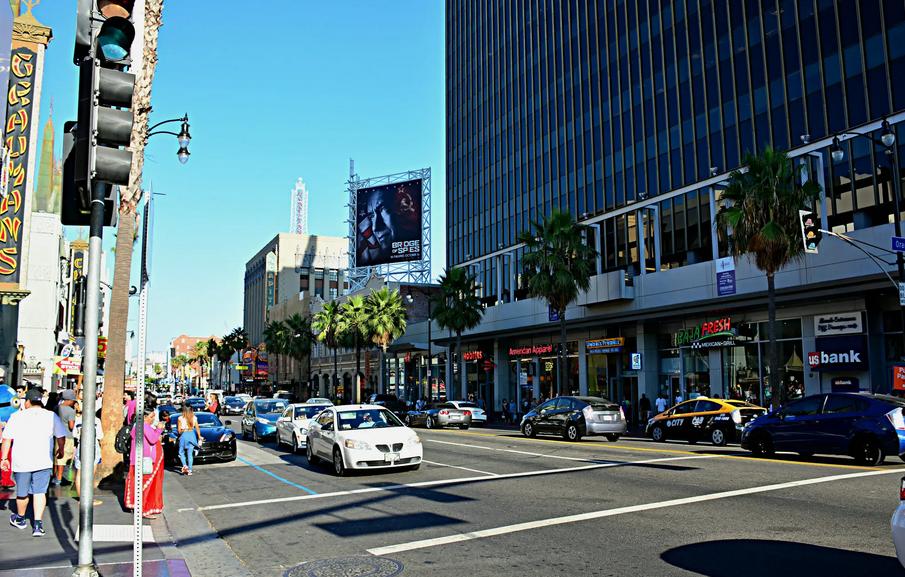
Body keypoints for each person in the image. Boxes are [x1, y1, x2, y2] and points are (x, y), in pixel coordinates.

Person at [1, 388, 67, 536]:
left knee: (22, 493)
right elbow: (61, 436)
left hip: (21, 461)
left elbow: (7, 439)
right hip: (43, 461)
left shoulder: (16, 416)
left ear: (28, 402)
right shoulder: (51, 416)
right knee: (39, 492)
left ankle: (20, 518)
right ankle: (38, 525)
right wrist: (61, 450)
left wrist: (4, 458)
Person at [356, 182, 421, 266]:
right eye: (371, 216)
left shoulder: (413, 237)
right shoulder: (375, 255)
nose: (375, 227)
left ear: (400, 207)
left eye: (382, 209)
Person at [125, 407, 165, 518]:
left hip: (140, 459)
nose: (153, 419)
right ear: (144, 417)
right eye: (151, 417)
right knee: (144, 486)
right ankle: (143, 509)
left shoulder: (138, 426)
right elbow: (152, 439)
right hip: (145, 460)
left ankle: (138, 507)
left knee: (139, 484)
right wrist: (159, 429)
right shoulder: (143, 426)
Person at [73, 401, 103, 505]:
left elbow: (75, 435)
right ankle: (88, 499)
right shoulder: (96, 420)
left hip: (80, 446)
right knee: (90, 474)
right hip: (93, 447)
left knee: (79, 474)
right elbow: (100, 436)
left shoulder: (77, 420)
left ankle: (81, 499)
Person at [53, 389, 77, 486]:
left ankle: (54, 476)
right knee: (63, 458)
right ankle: (59, 478)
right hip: (67, 436)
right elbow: (71, 426)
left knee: (56, 457)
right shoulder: (71, 411)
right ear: (70, 400)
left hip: (56, 435)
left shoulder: (56, 407)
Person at [177, 405, 201, 476]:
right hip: (192, 435)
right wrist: (199, 436)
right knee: (190, 453)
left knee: (181, 452)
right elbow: (197, 428)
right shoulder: (194, 418)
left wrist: (183, 430)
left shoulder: (180, 418)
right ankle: (190, 470)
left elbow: (179, 431)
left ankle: (185, 466)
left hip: (184, 435)